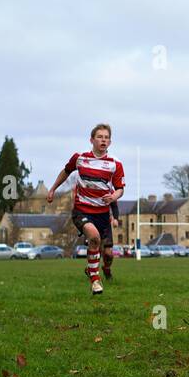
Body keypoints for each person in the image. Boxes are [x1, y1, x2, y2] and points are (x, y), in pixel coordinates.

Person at [47, 124, 125, 296]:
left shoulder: (115, 164)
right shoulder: (80, 158)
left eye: (106, 137)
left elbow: (120, 188)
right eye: (100, 136)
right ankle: (95, 281)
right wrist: (53, 189)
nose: (103, 140)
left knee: (100, 246)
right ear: (92, 140)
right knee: (94, 237)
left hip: (103, 214)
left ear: (110, 142)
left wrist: (114, 196)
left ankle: (95, 270)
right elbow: (66, 172)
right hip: (82, 210)